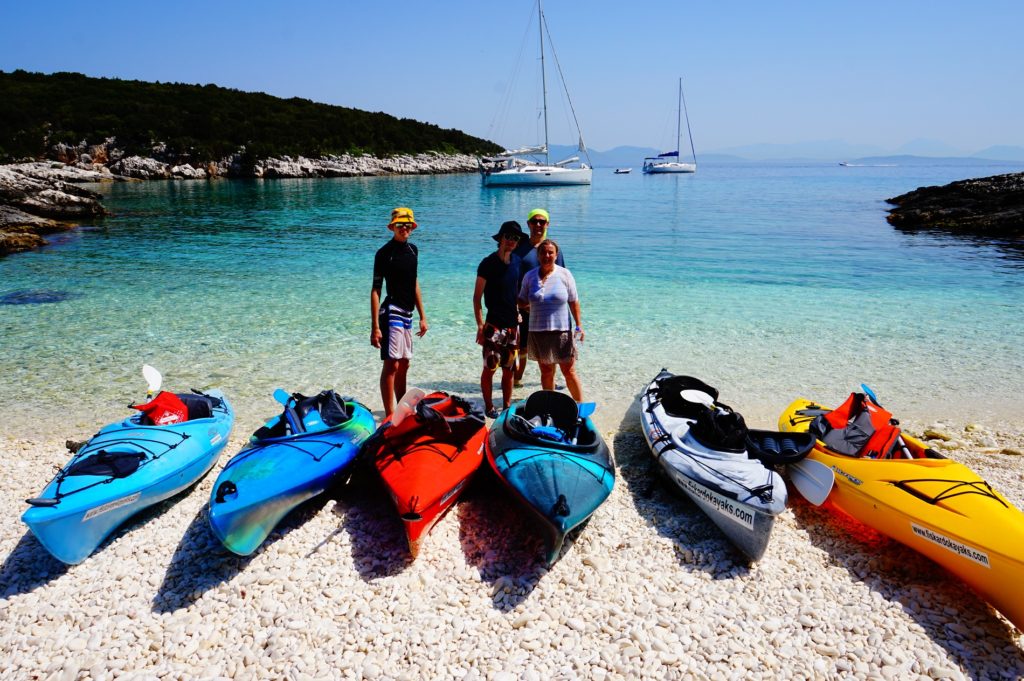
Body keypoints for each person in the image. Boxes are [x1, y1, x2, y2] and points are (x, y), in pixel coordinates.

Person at [370, 207, 428, 417]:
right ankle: (388, 415)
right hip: (391, 310)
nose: (404, 228)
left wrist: (423, 315)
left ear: (412, 227)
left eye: (407, 225)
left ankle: (402, 410)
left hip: (408, 312)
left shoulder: (413, 250)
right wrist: (375, 326)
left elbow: (414, 283)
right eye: (399, 225)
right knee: (392, 363)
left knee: (404, 363)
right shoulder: (384, 253)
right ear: (392, 227)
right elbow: (376, 289)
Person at [517, 239, 584, 402]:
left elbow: (574, 301)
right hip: (538, 332)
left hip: (561, 331)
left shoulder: (564, 274)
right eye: (543, 252)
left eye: (550, 252)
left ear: (556, 255)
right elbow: (521, 299)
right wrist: (527, 307)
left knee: (569, 372)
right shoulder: (530, 276)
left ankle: (581, 407)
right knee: (546, 372)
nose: (547, 255)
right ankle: (551, 406)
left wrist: (579, 326)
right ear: (538, 255)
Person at [473, 220, 527, 418]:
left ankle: (506, 407)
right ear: (501, 238)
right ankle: (489, 407)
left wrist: (518, 310)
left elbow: (514, 291)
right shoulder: (487, 263)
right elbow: (477, 297)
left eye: (515, 238)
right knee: (490, 369)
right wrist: (480, 326)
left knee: (509, 370)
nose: (511, 241)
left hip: (513, 327)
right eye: (508, 236)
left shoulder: (517, 263)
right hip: (493, 326)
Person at [513, 208, 565, 386]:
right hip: (524, 309)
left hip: (547, 310)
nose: (538, 225)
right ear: (528, 224)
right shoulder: (519, 249)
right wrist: (515, 305)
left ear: (547, 224)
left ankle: (550, 382)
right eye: (534, 221)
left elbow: (562, 278)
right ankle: (516, 381)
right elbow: (512, 278)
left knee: (550, 348)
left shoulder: (552, 250)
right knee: (522, 348)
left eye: (542, 222)